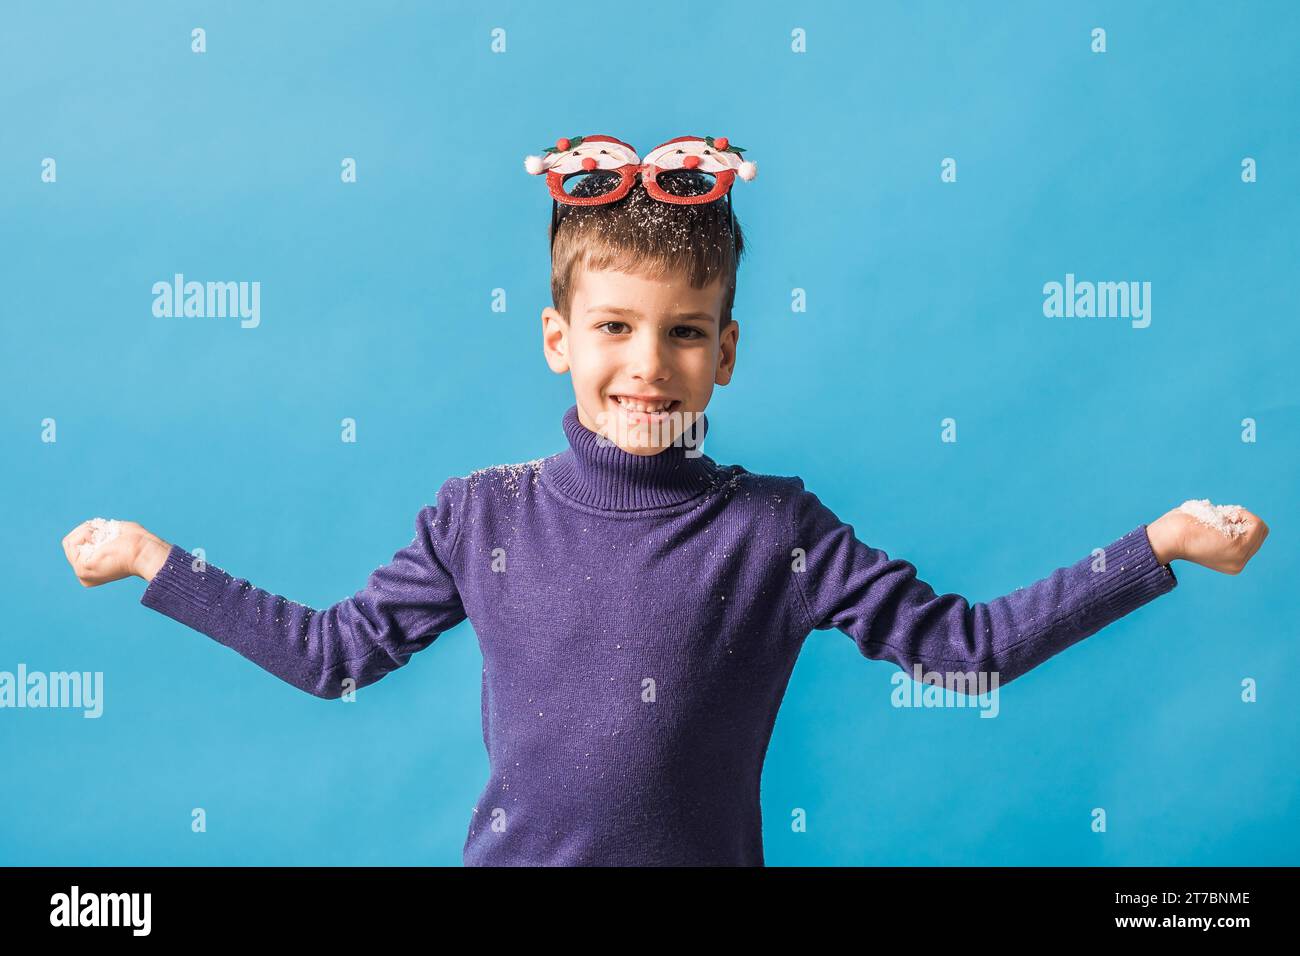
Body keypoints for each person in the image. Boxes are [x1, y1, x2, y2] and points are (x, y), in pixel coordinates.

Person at [60, 133, 1269, 866]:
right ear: (556, 337)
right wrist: (160, 562)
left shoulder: (778, 532)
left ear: (727, 350)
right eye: (616, 328)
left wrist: (1153, 547)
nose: (648, 364)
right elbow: (334, 655)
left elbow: (968, 652)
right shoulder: (477, 516)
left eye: (683, 333)